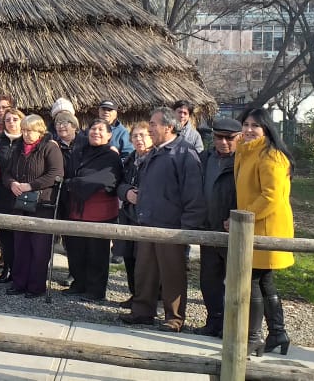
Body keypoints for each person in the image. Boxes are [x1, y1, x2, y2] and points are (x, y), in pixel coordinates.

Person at [120, 107, 205, 332]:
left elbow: (194, 193)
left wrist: (187, 228)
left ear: (168, 127)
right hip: (147, 223)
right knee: (144, 271)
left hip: (171, 227)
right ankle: (142, 311)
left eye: (154, 124)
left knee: (172, 274)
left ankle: (174, 318)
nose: (150, 128)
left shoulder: (184, 154)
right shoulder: (155, 152)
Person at [236, 107, 295, 356]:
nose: (249, 130)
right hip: (253, 224)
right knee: (264, 281)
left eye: (255, 126)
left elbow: (271, 197)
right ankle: (278, 333)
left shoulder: (271, 156)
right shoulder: (247, 151)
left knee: (253, 281)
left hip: (265, 227)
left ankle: (255, 337)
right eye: (246, 124)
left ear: (266, 128)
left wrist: (243, 217)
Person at [59, 116, 124, 301]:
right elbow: (68, 173)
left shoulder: (111, 156)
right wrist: (72, 182)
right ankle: (79, 283)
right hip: (77, 210)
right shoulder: (80, 152)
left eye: (101, 130)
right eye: (93, 129)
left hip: (99, 212)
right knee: (76, 249)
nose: (96, 132)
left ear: (109, 135)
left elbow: (105, 180)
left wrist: (74, 183)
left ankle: (96, 290)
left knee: (97, 253)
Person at [4, 114, 64, 299]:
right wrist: (12, 183)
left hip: (42, 204)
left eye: (29, 130)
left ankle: (36, 286)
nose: (26, 134)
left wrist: (31, 185)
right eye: (23, 130)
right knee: (20, 245)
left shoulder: (50, 147)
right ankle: (19, 282)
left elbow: (55, 173)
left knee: (39, 247)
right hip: (20, 203)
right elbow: (6, 172)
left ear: (40, 131)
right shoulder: (17, 149)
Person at [197, 118, 243, 338]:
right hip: (209, 226)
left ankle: (234, 327)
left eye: (229, 138)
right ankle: (214, 321)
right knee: (209, 280)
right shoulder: (205, 158)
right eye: (218, 137)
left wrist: (234, 216)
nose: (223, 142)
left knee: (236, 282)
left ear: (239, 137)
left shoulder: (244, 161)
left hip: (235, 228)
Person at [114, 124, 154, 308]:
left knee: (144, 261)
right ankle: (134, 295)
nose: (139, 139)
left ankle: (146, 299)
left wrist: (143, 195)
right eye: (135, 136)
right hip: (128, 215)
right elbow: (119, 183)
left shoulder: (156, 159)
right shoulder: (130, 160)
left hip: (147, 217)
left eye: (143, 135)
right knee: (129, 257)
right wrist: (127, 192)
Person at [0, 107, 24, 283]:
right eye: (8, 120)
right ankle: (7, 267)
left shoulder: (27, 140)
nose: (11, 123)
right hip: (1, 193)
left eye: (15, 119)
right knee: (3, 234)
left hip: (20, 193)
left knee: (19, 234)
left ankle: (19, 271)